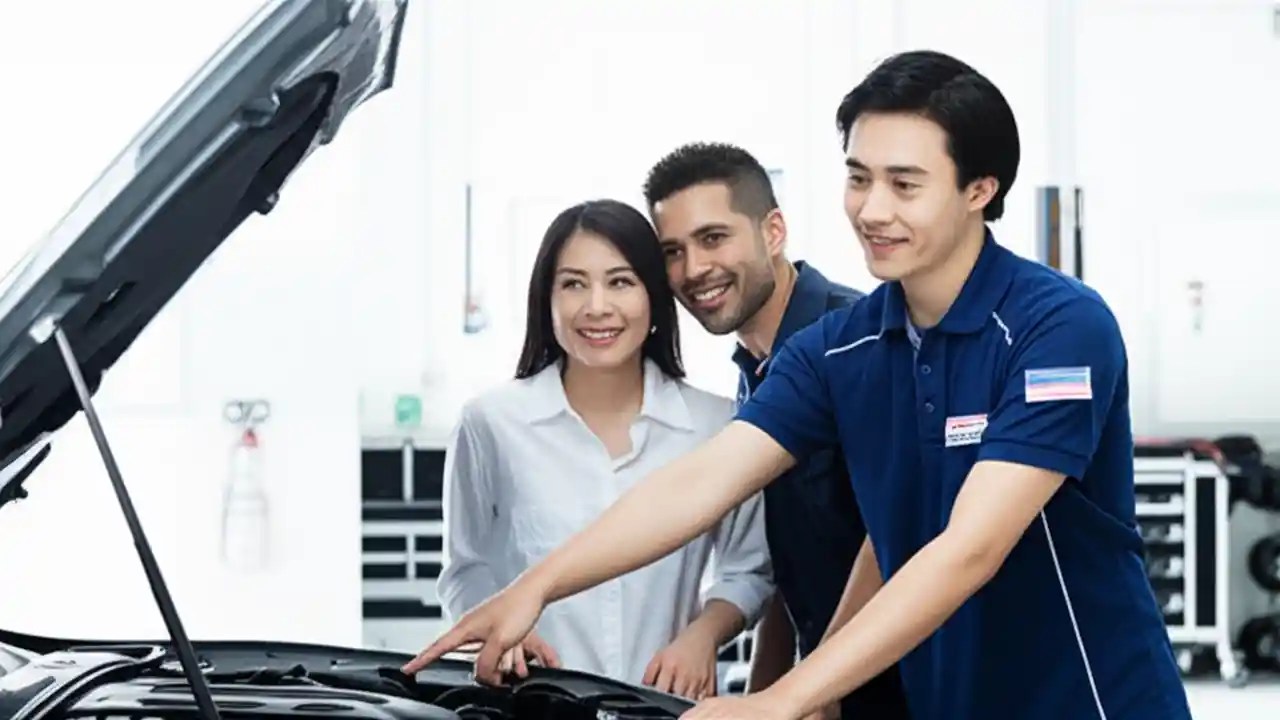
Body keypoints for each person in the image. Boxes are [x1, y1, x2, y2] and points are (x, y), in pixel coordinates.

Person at [406, 50, 1195, 720]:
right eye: (858, 178)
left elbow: (970, 547)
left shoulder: (1058, 327)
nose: (871, 210)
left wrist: (780, 701)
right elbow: (703, 482)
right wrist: (536, 587)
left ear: (979, 189)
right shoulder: (841, 349)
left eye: (904, 184)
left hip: (1087, 699)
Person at [433, 198, 773, 700]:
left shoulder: (717, 425)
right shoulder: (491, 424)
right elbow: (465, 569)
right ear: (545, 301)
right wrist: (505, 627)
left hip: (664, 704)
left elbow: (749, 569)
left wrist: (703, 635)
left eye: (620, 282)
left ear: (654, 298)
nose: (596, 307)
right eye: (573, 283)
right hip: (529, 702)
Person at [641, 141, 910, 718]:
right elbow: (794, 562)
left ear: (773, 231)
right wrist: (766, 694)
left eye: (714, 238)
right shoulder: (752, 374)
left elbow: (892, 535)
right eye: (673, 251)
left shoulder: (854, 336)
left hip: (904, 685)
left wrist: (817, 687)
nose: (693, 270)